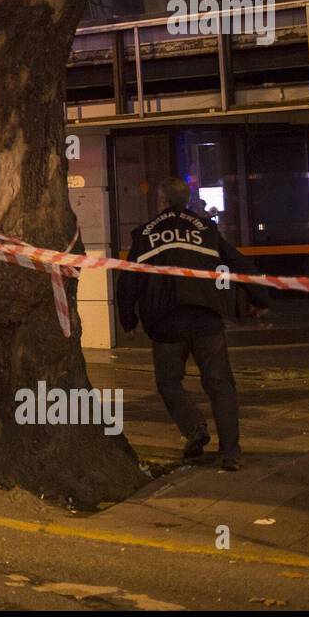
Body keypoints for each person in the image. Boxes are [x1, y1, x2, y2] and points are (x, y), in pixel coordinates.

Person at [116, 178, 269, 471]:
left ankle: (194, 427)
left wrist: (128, 319)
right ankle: (230, 453)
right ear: (186, 200)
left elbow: (129, 280)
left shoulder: (146, 233)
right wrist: (259, 299)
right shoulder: (206, 229)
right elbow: (238, 263)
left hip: (166, 322)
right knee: (220, 385)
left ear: (161, 201)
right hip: (205, 318)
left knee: (169, 382)